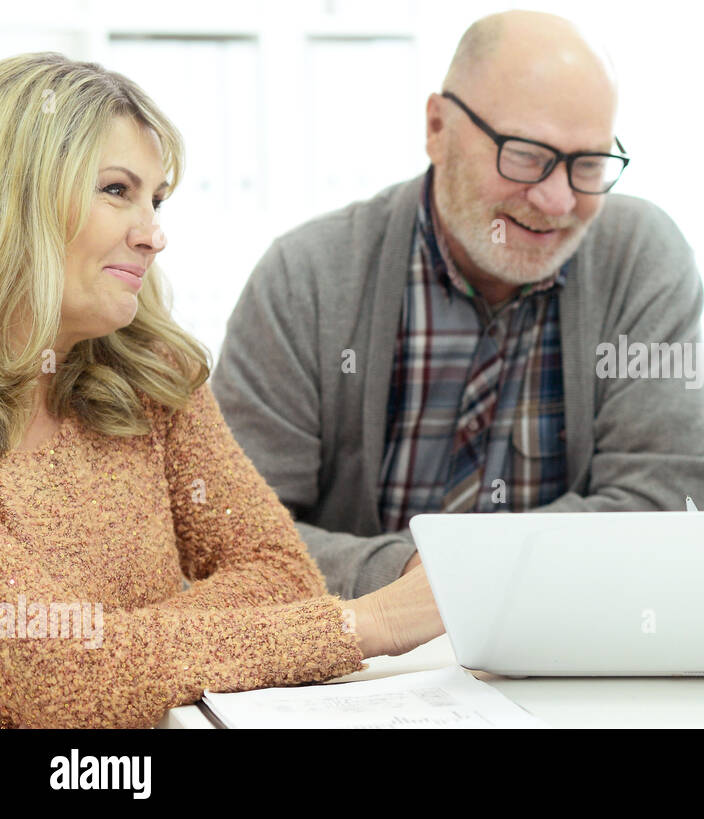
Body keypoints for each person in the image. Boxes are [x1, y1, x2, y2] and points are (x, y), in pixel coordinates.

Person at [0, 53, 440, 728]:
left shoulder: (152, 375)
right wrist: (368, 621)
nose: (152, 235)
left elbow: (282, 572)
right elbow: (39, 679)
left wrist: (120, 648)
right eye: (116, 190)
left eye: (155, 199)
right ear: (20, 192)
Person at [211, 10, 704, 600]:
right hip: (359, 666)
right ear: (437, 127)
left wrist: (461, 577)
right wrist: (406, 586)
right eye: (526, 155)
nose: (557, 201)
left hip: (569, 653)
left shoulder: (640, 258)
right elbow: (229, 539)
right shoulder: (308, 279)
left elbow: (662, 502)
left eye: (588, 164)